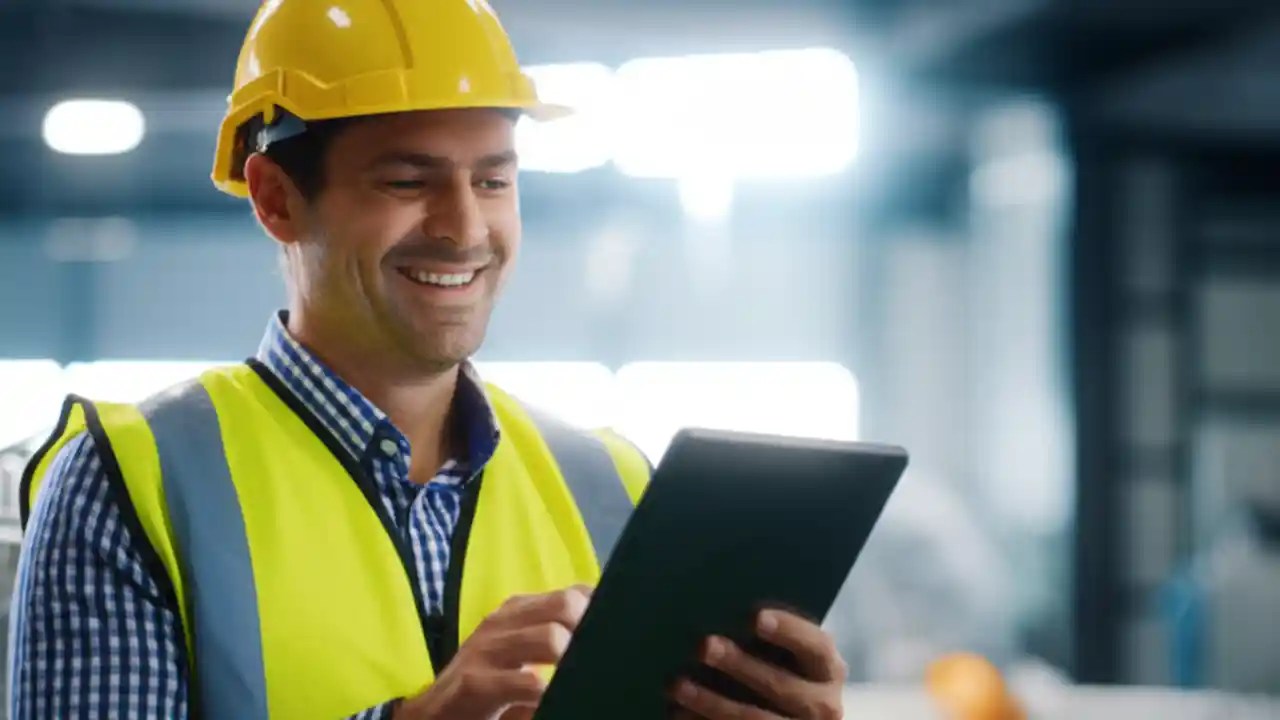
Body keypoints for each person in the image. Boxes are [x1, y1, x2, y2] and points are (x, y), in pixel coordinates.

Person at [9, 1, 849, 718]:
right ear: (276, 199)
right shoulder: (135, 485)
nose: (465, 229)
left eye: (493, 181)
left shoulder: (615, 486)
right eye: (408, 182)